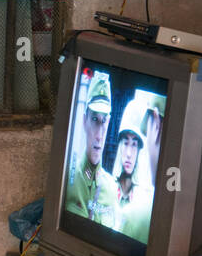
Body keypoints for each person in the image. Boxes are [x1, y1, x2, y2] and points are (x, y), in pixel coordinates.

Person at [64, 74, 117, 228]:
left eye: (104, 121)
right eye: (94, 119)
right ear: (84, 120)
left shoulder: (112, 189)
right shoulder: (67, 177)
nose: (99, 135)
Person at [112, 99, 155, 242]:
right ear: (120, 146)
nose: (129, 153)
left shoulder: (144, 200)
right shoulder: (105, 187)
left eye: (135, 145)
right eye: (126, 143)